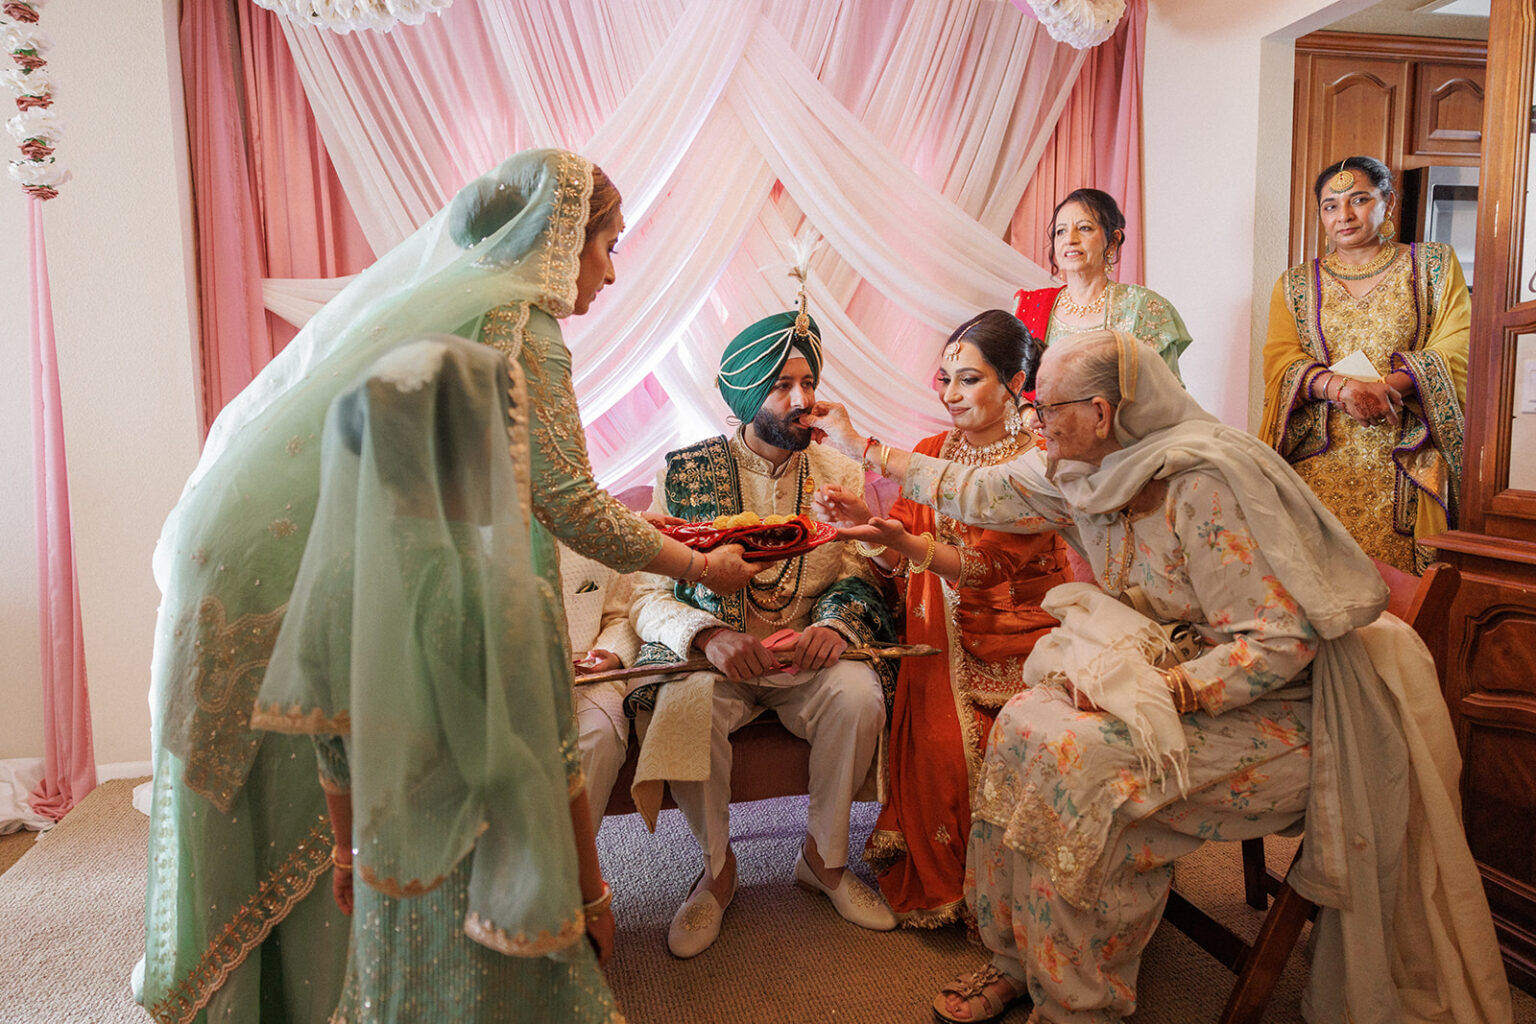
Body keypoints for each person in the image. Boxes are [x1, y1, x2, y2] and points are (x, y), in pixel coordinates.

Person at [138, 148, 759, 1023]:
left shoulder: (441, 315)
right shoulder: (522, 327)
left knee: (334, 765)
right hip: (297, 576)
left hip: (253, 560)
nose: (613, 272)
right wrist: (703, 566)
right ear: (556, 243)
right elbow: (571, 502)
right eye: (608, 245)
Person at [810, 330, 1511, 1024]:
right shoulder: (1079, 468)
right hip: (1177, 673)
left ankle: (1078, 1003)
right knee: (1023, 725)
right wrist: (863, 448)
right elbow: (977, 490)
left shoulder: (1200, 483)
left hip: (1293, 711)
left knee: (1086, 767)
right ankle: (1020, 955)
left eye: (1048, 407)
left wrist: (1161, 691)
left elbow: (1279, 643)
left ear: (1103, 415)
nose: (1034, 421)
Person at [625, 301, 900, 959]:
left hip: (805, 655)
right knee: (683, 703)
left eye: (809, 383)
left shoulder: (836, 472)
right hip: (723, 660)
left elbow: (863, 568)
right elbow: (643, 589)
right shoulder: (685, 471)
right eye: (782, 385)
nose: (802, 399)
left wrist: (835, 623)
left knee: (860, 693)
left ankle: (823, 862)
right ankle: (717, 875)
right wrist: (708, 637)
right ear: (748, 394)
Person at [810, 310, 1068, 928]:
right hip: (939, 633)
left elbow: (985, 568)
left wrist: (902, 542)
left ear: (1014, 382)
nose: (951, 394)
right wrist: (867, 527)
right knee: (940, 745)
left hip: (1019, 631)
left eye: (969, 379)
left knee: (1022, 746)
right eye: (944, 378)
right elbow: (900, 562)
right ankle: (963, 890)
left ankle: (1020, 899)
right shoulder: (931, 452)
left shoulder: (1038, 464)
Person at [1261, 155, 1469, 575]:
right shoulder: (1296, 284)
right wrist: (1344, 390)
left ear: (1388, 202)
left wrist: (1388, 386)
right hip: (1320, 457)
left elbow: (1457, 344)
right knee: (1323, 583)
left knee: (1402, 593)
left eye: (1359, 200)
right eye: (1330, 205)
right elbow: (1282, 361)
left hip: (1405, 455)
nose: (1344, 215)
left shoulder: (1432, 267)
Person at [1013, 188, 1191, 381]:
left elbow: (1165, 397)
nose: (1070, 240)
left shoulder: (1142, 307)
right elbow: (1010, 390)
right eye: (1060, 231)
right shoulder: (1029, 307)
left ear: (1112, 242)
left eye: (1084, 228)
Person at [562, 542, 643, 833]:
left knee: (599, 735)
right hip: (502, 674)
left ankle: (572, 871)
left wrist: (612, 652)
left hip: (586, 673)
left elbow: (622, 615)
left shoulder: (595, 534)